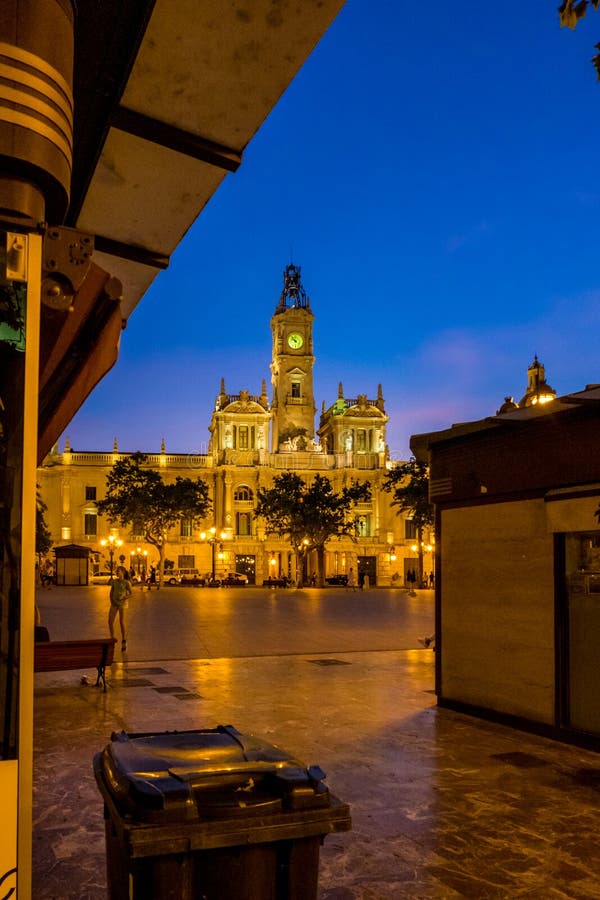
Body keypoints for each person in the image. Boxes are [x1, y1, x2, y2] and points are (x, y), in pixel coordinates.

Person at [109, 566, 132, 651]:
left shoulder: (126, 583)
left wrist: (124, 597)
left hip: (122, 603)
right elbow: (111, 592)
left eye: (118, 571)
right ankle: (112, 638)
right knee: (110, 621)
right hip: (114, 603)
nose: (117, 572)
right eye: (116, 571)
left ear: (123, 572)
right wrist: (112, 601)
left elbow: (131, 593)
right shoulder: (114, 582)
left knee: (121, 622)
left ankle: (124, 640)